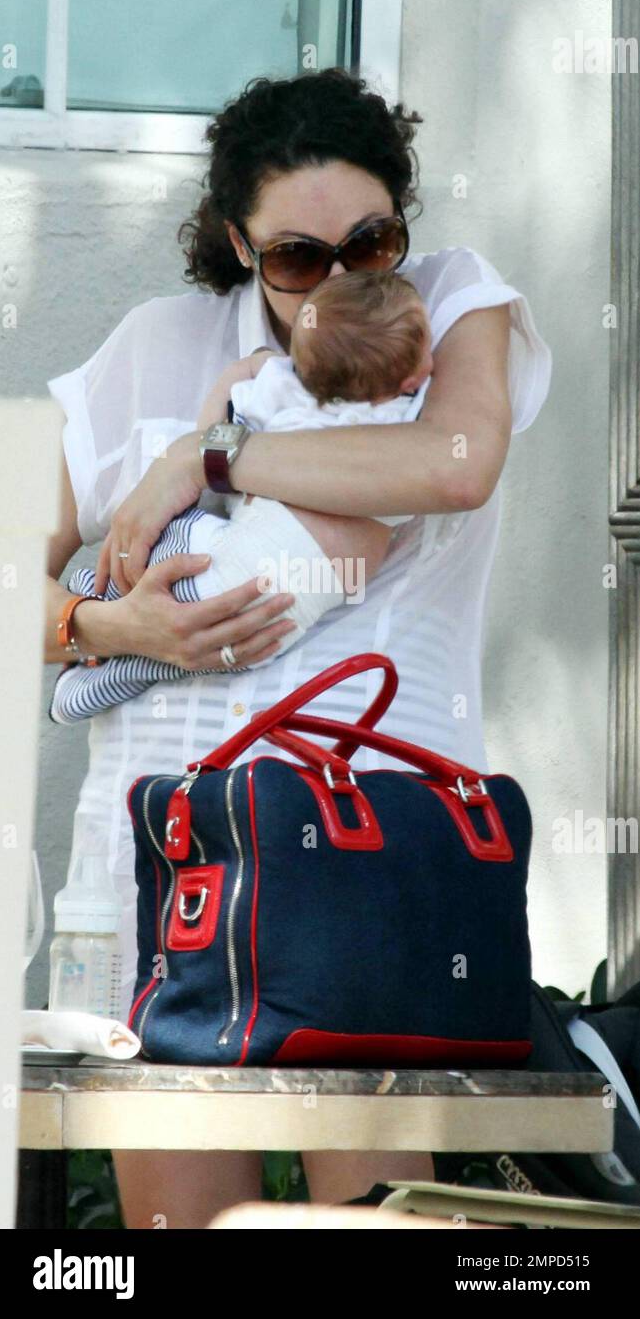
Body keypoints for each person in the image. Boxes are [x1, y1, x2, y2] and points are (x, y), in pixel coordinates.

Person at [45, 67, 551, 1227]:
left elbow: (453, 462)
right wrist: (106, 626)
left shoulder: (445, 308)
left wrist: (204, 460)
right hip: (162, 871)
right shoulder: (152, 345)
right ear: (239, 242)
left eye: (369, 239)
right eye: (295, 256)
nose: (337, 277)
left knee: (374, 1230)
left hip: (367, 861)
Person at [49, 270, 434, 724]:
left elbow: (236, 388)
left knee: (177, 542)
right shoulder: (401, 424)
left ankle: (90, 597)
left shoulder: (288, 391)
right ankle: (86, 688)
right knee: (160, 658)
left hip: (227, 559)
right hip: (274, 622)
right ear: (411, 379)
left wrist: (203, 439)